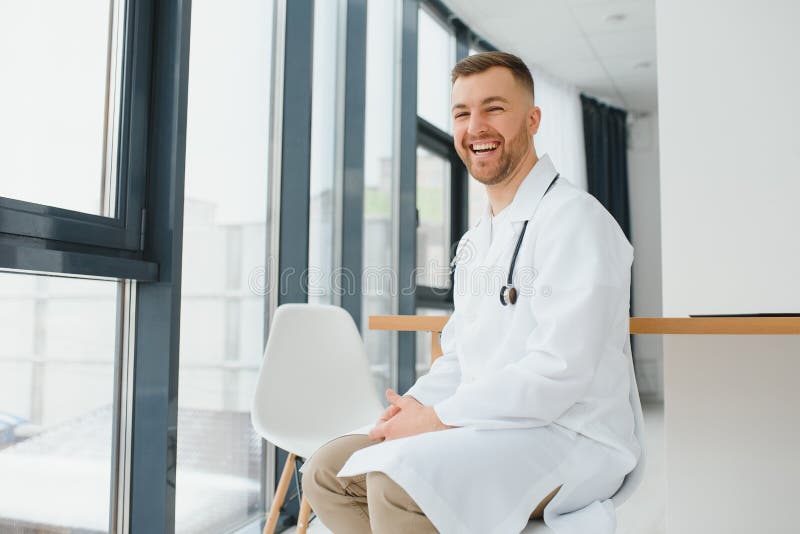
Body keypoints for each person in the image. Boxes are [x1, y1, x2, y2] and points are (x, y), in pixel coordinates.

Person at [301, 51, 640, 534]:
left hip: (573, 434)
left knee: (397, 483)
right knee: (327, 471)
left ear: (533, 119)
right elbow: (460, 360)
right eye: (462, 113)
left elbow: (560, 372)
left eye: (494, 108)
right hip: (490, 423)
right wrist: (409, 412)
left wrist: (439, 419)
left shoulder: (576, 221)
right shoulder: (476, 241)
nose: (476, 126)